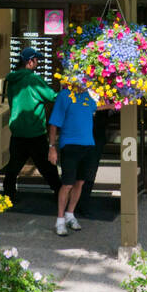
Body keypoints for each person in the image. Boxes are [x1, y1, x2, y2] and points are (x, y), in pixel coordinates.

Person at [0, 46, 61, 201]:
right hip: (35, 131)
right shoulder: (33, 79)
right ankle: (60, 193)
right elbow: (52, 96)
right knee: (47, 167)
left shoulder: (11, 80)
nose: (38, 62)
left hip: (18, 131)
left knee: (13, 166)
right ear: (30, 62)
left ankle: (8, 196)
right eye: (36, 60)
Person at [47, 84, 101, 236]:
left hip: (88, 145)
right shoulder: (65, 95)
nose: (86, 80)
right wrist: (52, 147)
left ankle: (70, 214)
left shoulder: (90, 95)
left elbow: (98, 106)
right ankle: (60, 220)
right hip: (70, 145)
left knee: (80, 182)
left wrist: (123, 101)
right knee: (67, 184)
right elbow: (54, 123)